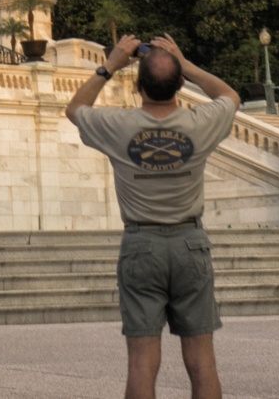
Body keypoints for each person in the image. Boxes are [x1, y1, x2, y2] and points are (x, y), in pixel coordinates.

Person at [67, 33, 244, 399]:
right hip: (190, 244)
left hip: (141, 244)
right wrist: (185, 63)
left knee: (142, 363)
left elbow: (75, 108)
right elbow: (230, 96)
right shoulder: (200, 123)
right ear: (179, 84)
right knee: (202, 361)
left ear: (138, 86)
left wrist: (110, 64)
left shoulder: (118, 126)